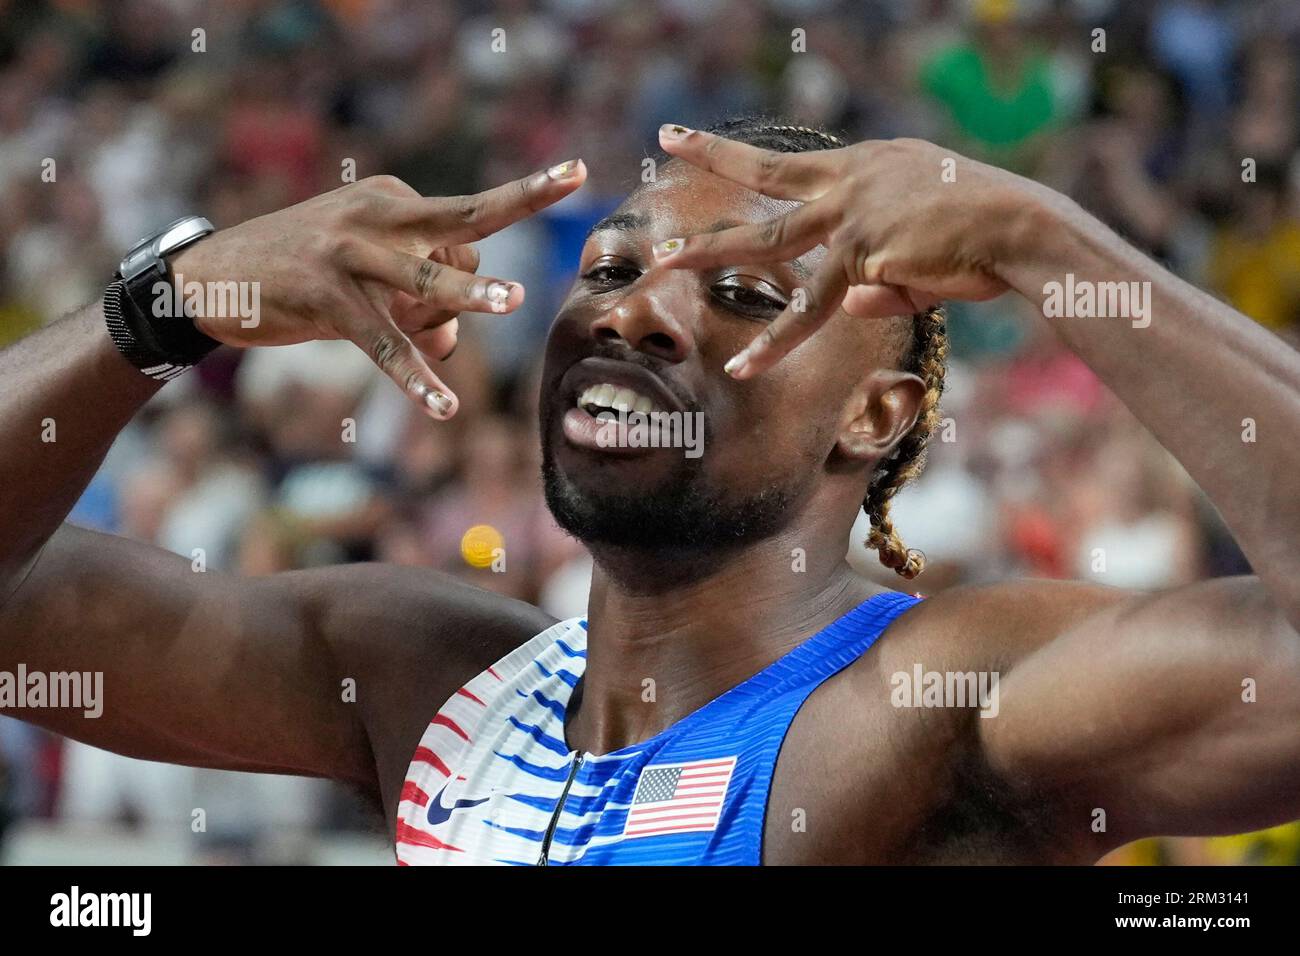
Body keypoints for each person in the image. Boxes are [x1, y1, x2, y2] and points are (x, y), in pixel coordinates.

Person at [0, 117, 1297, 865]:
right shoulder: (427, 676)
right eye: (611, 270)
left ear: (878, 414)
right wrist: (165, 306)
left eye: (739, 295)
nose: (638, 318)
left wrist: (1040, 240)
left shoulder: (939, 701)